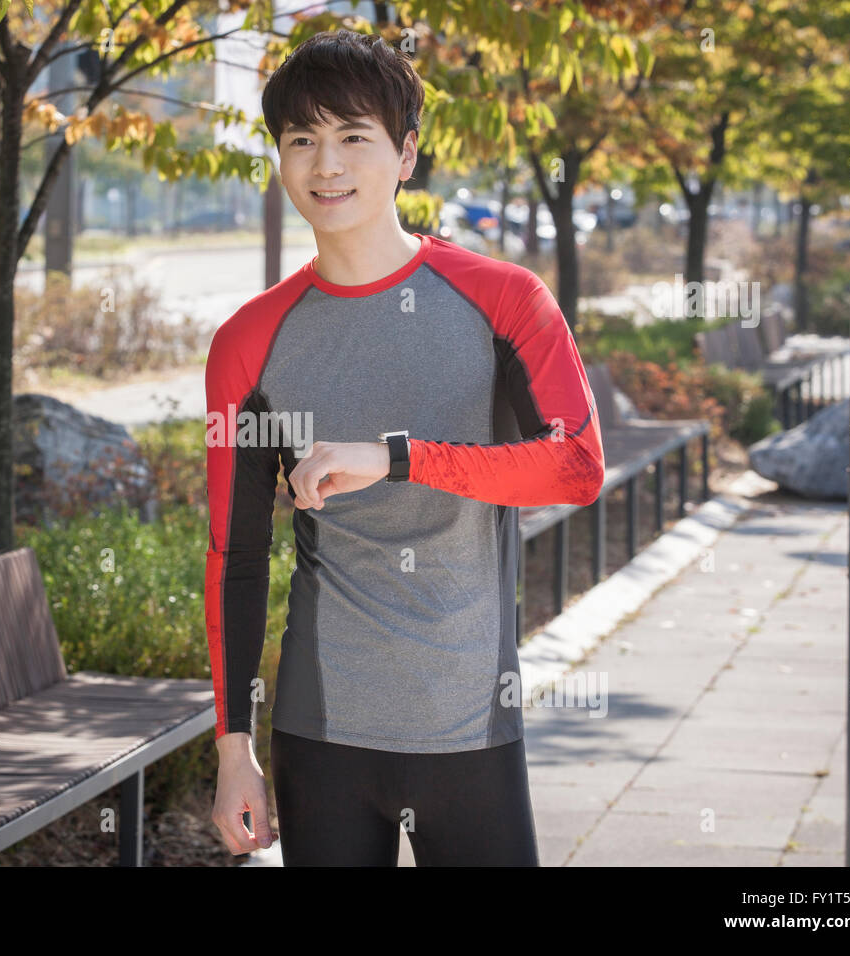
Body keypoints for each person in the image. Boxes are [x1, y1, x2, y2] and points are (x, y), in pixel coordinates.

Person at [205, 29, 605, 866]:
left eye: (354, 136)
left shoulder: (502, 300)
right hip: (319, 733)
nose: (327, 165)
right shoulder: (249, 341)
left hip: (468, 724)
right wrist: (232, 752)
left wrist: (398, 456)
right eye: (301, 140)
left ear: (406, 154)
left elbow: (575, 467)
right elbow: (236, 557)